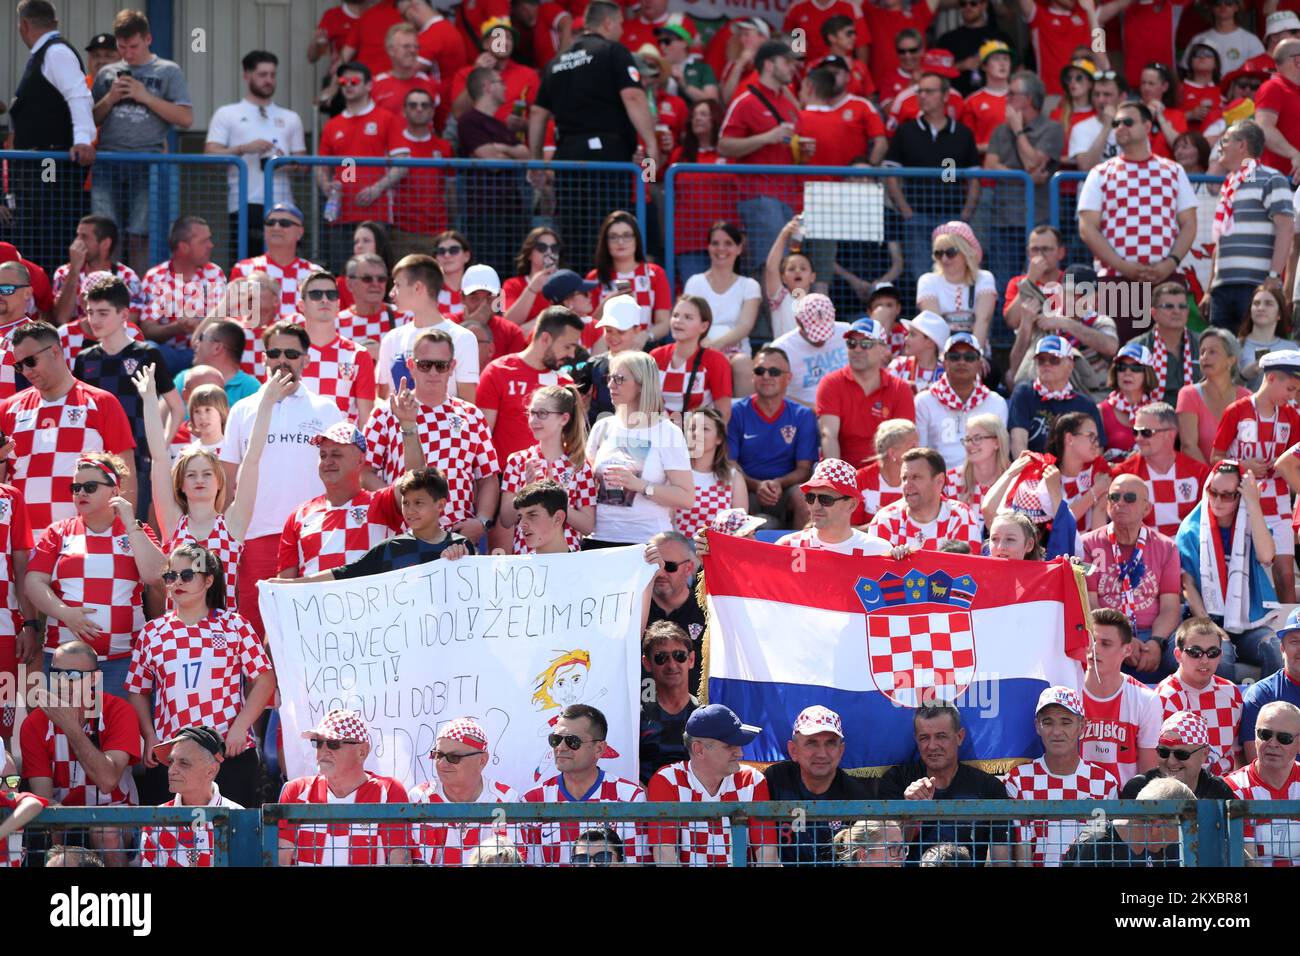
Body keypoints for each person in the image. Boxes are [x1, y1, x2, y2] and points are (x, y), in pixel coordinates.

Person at [219, 322, 345, 636]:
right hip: (256, 536)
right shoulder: (242, 410)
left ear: (306, 359)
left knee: (314, 632)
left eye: (291, 353)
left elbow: (342, 475)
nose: (282, 360)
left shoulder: (327, 410)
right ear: (264, 358)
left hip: (313, 536)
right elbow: (226, 480)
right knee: (255, 634)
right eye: (274, 353)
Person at [126, 541, 274, 809]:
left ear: (208, 580)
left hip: (228, 751)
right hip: (171, 754)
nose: (176, 582)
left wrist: (241, 727)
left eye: (186, 575)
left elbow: (264, 678)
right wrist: (150, 735)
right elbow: (138, 689)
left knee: (232, 840)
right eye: (170, 576)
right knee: (171, 840)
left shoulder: (234, 625)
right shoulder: (152, 632)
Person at [23, 452, 162, 702]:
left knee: (117, 740)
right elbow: (33, 582)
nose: (81, 493)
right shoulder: (58, 532)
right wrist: (66, 613)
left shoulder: (138, 530)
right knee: (63, 739)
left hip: (124, 662)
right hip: (64, 662)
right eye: (76, 487)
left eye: (90, 486)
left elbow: (155, 576)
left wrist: (130, 523)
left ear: (114, 491)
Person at [530, 1, 660, 264]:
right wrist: (651, 144)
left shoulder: (556, 62)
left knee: (574, 234)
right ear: (608, 23)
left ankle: (577, 296)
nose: (623, 31)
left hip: (566, 159)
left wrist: (535, 162)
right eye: (621, 24)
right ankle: (610, 293)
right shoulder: (614, 52)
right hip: (608, 159)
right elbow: (634, 97)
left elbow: (537, 114)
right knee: (611, 230)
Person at [133, 364, 269, 610]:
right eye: (191, 474)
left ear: (220, 482)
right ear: (181, 485)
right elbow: (159, 457)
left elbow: (252, 460)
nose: (199, 480)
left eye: (207, 474)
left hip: (223, 636)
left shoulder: (233, 524)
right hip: (178, 636)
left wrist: (267, 403)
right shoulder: (173, 522)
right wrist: (150, 399)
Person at [0, 321, 137, 539]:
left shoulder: (101, 403)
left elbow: (126, 474)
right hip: (23, 544)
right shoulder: (8, 409)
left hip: (85, 541)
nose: (26, 371)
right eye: (19, 366)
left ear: (55, 351)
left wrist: (122, 532)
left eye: (30, 361)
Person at [363, 330, 500, 546]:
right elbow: (364, 472)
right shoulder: (385, 412)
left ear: (452, 367)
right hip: (402, 536)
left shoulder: (472, 415)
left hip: (458, 537)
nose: (433, 372)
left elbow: (488, 477)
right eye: (425, 365)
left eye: (441, 365)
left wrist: (481, 522)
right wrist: (397, 505)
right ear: (411, 365)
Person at [1078, 103, 1199, 338]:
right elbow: (1086, 228)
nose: (1120, 127)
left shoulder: (1173, 171)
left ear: (1147, 126)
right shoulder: (1100, 173)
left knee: (1171, 352)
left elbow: (1190, 223)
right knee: (1122, 358)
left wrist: (1169, 264)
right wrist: (1122, 266)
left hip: (1166, 278)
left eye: (1127, 122)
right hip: (1116, 280)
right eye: (1116, 123)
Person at [74, 274, 184, 526]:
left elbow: (177, 408)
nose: (94, 320)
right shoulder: (85, 359)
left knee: (133, 528)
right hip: (95, 460)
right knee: (93, 528)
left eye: (103, 313)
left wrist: (158, 447)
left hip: (137, 459)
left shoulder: (146, 354)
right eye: (90, 312)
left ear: (124, 314)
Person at [89, 8, 193, 274]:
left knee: (140, 234)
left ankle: (137, 293)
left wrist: (145, 96)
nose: (128, 53)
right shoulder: (107, 73)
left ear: (148, 39)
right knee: (105, 235)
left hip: (148, 165)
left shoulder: (168, 71)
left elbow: (185, 118)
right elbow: (90, 120)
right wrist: (110, 98)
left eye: (133, 46)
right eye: (122, 47)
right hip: (107, 163)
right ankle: (105, 288)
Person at [19, 640, 140, 863]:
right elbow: (42, 797)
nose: (64, 682)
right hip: (63, 818)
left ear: (94, 678)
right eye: (57, 673)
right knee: (48, 825)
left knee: (105, 831)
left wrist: (71, 728)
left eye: (73, 675)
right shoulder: (34, 723)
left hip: (114, 818)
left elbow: (107, 780)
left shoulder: (119, 711)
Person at [10, 0, 97, 275]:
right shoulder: (43, 54)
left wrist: (83, 139)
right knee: (34, 235)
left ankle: (53, 303)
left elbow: (79, 95)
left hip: (50, 165)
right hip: (37, 166)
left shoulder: (56, 52)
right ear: (54, 22)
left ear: (24, 25)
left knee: (51, 234)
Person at [1177, 465, 1282, 683]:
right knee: (1220, 657)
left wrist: (1253, 502)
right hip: (1206, 620)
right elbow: (1187, 585)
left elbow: (1266, 556)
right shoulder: (1191, 529)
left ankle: (1272, 711)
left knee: (1273, 646)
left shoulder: (1250, 521)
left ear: (1241, 494)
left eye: (1227, 495)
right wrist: (1209, 626)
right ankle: (1224, 714)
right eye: (1213, 492)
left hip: (1247, 620)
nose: (1217, 501)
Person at [883, 66, 982, 299]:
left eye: (929, 91)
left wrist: (965, 213)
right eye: (920, 91)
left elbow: (974, 178)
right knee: (922, 278)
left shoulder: (963, 133)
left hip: (953, 220)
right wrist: (907, 212)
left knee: (955, 276)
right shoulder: (905, 131)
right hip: (917, 218)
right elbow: (891, 174)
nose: (922, 96)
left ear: (945, 96)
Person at [1211, 348, 1300, 602]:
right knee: (1249, 572)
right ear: (1271, 379)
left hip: (1279, 499)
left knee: (1285, 575)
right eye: (1290, 389)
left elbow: (1294, 461)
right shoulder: (1236, 411)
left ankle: (1291, 633)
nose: (1293, 397)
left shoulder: (1292, 416)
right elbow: (1214, 459)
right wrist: (1242, 464)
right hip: (1244, 502)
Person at [878, 702, 1013, 866]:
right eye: (924, 738)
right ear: (916, 740)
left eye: (941, 736)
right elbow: (885, 854)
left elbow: (1002, 860)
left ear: (960, 737)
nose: (932, 746)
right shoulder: (896, 780)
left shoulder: (989, 787)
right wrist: (910, 814)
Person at [203, 50, 307, 261]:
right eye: (262, 74)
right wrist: (243, 148)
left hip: (283, 202)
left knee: (285, 263)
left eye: (272, 75)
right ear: (246, 75)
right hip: (244, 202)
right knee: (247, 265)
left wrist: (283, 162)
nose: (269, 80)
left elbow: (304, 164)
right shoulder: (227, 113)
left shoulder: (290, 117)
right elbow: (209, 156)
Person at [646, 703, 778, 866]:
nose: (740, 752)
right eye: (729, 745)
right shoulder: (667, 780)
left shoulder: (752, 780)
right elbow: (665, 856)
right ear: (699, 749)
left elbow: (768, 856)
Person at [1003, 685, 1121, 866]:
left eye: (1066, 722)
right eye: (1048, 722)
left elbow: (1105, 851)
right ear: (1037, 726)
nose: (1057, 731)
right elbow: (1022, 852)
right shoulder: (1018, 780)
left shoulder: (1105, 783)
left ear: (1081, 726)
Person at [278, 709, 413, 866]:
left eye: (333, 744)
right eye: (319, 743)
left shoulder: (389, 791)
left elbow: (399, 858)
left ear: (362, 752)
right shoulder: (296, 791)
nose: (323, 750)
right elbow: (281, 860)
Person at [584, 351, 692, 548]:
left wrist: (641, 486)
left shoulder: (668, 432)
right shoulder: (603, 426)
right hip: (598, 537)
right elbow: (585, 481)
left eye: (619, 379)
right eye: (609, 378)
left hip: (646, 541)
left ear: (642, 384)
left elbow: (686, 497)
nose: (610, 385)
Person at [1081, 475, 1183, 681]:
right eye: (1114, 496)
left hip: (1155, 635)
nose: (1120, 503)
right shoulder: (1087, 544)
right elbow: (1090, 605)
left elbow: (1170, 607)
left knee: (1189, 652)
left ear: (1147, 508)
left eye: (1129, 498)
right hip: (1108, 634)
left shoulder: (1167, 546)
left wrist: (1156, 642)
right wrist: (1124, 639)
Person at [521, 703, 647, 866]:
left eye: (572, 741)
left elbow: (634, 863)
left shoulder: (630, 797)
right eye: (556, 739)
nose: (560, 747)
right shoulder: (533, 800)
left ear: (599, 749)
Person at [717, 39, 802, 272]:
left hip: (788, 197)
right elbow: (723, 145)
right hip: (760, 195)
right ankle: (764, 310)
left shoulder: (789, 104)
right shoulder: (745, 101)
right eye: (786, 62)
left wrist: (802, 150)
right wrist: (766, 137)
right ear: (768, 65)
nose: (792, 68)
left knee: (786, 267)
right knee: (768, 266)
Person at [703, 457, 891, 556]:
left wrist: (901, 560)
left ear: (851, 505)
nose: (815, 506)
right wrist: (711, 549)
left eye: (826, 499)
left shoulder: (878, 550)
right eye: (810, 497)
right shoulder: (787, 546)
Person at [1206, 121, 1293, 331]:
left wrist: (1273, 277)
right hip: (1222, 288)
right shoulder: (1229, 184)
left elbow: (1286, 228)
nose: (1220, 147)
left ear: (1242, 145)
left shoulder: (1271, 178)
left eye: (1225, 141)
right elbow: (1221, 241)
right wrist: (1210, 289)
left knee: (1255, 355)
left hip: (1256, 287)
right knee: (1223, 358)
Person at [761, 705, 874, 866]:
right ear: (793, 750)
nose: (822, 753)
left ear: (841, 751)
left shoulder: (857, 796)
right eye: (812, 743)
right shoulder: (774, 780)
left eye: (830, 743)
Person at [477, 305, 583, 464]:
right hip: (505, 480)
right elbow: (482, 440)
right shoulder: (498, 372)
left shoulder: (565, 383)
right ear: (545, 338)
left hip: (551, 482)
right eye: (567, 346)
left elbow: (572, 441)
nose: (572, 355)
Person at [982, 71, 1065, 273]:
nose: (1006, 99)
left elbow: (1032, 163)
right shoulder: (1000, 130)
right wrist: (1027, 179)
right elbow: (990, 165)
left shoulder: (1052, 128)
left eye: (1012, 94)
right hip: (1004, 219)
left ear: (1028, 99)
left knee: (1042, 278)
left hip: (1039, 220)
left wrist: (1019, 131)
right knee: (1003, 281)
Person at [409, 716, 519, 866]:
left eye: (453, 757)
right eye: (438, 755)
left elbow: (508, 861)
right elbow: (420, 862)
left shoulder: (505, 799)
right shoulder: (421, 798)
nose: (441, 763)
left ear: (482, 760)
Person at [727, 345, 817, 528]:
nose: (766, 376)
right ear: (752, 376)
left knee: (805, 499)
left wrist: (778, 483)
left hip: (786, 491)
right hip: (746, 489)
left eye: (774, 371)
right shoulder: (735, 413)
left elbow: (805, 469)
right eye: (760, 371)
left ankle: (801, 551)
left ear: (788, 378)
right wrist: (757, 485)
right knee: (729, 494)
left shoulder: (803, 415)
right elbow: (730, 465)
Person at [497, 387, 595, 553]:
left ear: (563, 419)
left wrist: (555, 497)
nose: (534, 420)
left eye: (542, 414)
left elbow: (587, 526)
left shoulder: (579, 466)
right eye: (532, 413)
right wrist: (526, 490)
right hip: (526, 560)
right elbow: (506, 520)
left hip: (566, 559)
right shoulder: (518, 461)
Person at [1009, 262, 1121, 400]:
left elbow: (1110, 347)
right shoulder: (1043, 321)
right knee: (1012, 381)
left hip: (1089, 395)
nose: (1079, 300)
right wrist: (1026, 326)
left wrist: (1065, 323)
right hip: (1046, 393)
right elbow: (1016, 368)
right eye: (1073, 294)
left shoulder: (1100, 321)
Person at [456, 69, 531, 276]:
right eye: (500, 82)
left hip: (512, 211)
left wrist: (503, 149)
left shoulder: (501, 125)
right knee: (490, 272)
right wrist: (509, 155)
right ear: (487, 87)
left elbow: (526, 154)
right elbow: (491, 160)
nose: (505, 87)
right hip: (484, 213)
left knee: (513, 270)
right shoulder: (469, 121)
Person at [816, 317, 915, 468]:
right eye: (852, 343)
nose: (857, 349)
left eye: (866, 344)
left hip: (885, 475)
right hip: (842, 473)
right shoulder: (831, 383)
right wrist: (837, 480)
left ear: (883, 349)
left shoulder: (899, 389)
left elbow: (903, 443)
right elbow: (829, 436)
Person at [377, 254, 479, 401]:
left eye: (398, 285)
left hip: (444, 424)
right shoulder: (392, 339)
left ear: (418, 287)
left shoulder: (463, 338)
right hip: (398, 423)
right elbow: (383, 397)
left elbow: (467, 406)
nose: (391, 293)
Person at [1080, 608, 1162, 787]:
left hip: (1124, 807)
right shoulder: (1068, 691)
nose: (1095, 649)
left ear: (1127, 649)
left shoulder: (1147, 700)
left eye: (1105, 643)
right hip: (1073, 805)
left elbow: (1147, 778)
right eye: (1091, 640)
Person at [140, 726, 241, 867]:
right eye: (171, 761)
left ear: (211, 771)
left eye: (184, 763)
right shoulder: (155, 821)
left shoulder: (238, 816)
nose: (171, 770)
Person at [1155, 619, 1245, 777]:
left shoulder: (1231, 692)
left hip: (1225, 787)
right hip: (1180, 788)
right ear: (1178, 655)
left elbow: (1238, 753)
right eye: (1195, 652)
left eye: (1212, 653)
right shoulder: (1164, 697)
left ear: (1220, 655)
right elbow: (1158, 761)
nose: (1204, 660)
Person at [682, 222, 762, 396]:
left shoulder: (750, 285)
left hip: (736, 350)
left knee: (742, 364)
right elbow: (687, 319)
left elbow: (745, 325)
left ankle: (743, 420)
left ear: (739, 248)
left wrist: (716, 346)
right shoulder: (695, 282)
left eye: (728, 243)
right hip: (700, 346)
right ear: (708, 247)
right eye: (715, 243)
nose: (721, 248)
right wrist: (705, 347)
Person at [138, 217, 225, 372]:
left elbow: (222, 322)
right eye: (204, 241)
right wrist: (177, 327)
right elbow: (147, 329)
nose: (210, 245)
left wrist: (199, 327)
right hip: (168, 353)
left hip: (204, 352)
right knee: (149, 350)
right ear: (184, 247)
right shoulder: (155, 277)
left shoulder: (214, 273)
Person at [1113, 401, 1211, 538]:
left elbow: (1207, 523)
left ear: (1170, 434)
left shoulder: (1199, 473)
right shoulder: (1123, 475)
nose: (1138, 439)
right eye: (1135, 432)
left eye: (1146, 432)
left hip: (1186, 552)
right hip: (1144, 553)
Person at [293, 271, 377, 425]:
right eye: (316, 294)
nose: (325, 300)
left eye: (331, 294)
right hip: (294, 446)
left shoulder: (359, 355)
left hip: (340, 448)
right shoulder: (286, 352)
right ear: (301, 305)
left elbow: (366, 420)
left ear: (338, 304)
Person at [915, 332, 1008, 470]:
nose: (962, 362)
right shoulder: (924, 401)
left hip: (984, 483)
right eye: (954, 357)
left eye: (969, 357)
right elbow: (920, 453)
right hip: (939, 484)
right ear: (944, 362)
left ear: (979, 363)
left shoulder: (996, 402)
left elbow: (1000, 454)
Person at [1225, 700, 1300, 865]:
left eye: (1284, 738)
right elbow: (1249, 862)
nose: (1272, 744)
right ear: (1254, 736)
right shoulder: (1232, 788)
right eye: (1265, 735)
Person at [51, 215, 145, 345]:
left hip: (113, 343)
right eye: (77, 236)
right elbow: (61, 318)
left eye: (84, 237)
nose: (77, 243)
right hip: (73, 341)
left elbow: (129, 322)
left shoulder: (127, 277)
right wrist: (74, 270)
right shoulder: (64, 273)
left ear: (105, 243)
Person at [1007, 334, 1107, 455]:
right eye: (1041, 360)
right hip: (1033, 469)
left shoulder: (1086, 406)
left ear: (1070, 365)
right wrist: (1031, 472)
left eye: (1054, 359)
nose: (1046, 364)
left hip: (1074, 472)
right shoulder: (1024, 393)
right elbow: (1018, 442)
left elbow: (1096, 451)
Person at [584, 211, 672, 346]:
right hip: (607, 350)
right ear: (605, 242)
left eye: (627, 236)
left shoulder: (655, 273)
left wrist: (646, 335)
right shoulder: (595, 277)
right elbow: (588, 326)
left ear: (636, 239)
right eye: (613, 237)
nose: (620, 242)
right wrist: (607, 303)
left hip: (643, 350)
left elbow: (664, 323)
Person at [868, 446, 982, 551]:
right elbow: (877, 571)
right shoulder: (885, 520)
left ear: (940, 480)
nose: (907, 484)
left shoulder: (961, 516)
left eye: (915, 477)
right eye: (904, 478)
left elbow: (966, 569)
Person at [228, 202, 325, 322]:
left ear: (300, 232)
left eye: (285, 223)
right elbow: (235, 316)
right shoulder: (244, 269)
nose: (276, 227)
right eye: (270, 223)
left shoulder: (315, 273)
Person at [1060, 776, 1188, 866]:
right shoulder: (1096, 844)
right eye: (1177, 835)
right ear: (1157, 826)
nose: (1174, 842)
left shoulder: (1154, 848)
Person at [650, 296, 733, 428]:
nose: (678, 321)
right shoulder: (656, 356)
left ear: (704, 326)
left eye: (688, 317)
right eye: (675, 315)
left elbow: (723, 413)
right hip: (659, 437)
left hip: (696, 440)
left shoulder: (716, 361)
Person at [1122, 710, 1236, 799]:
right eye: (1164, 752)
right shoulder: (1137, 788)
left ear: (1204, 754)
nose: (1171, 761)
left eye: (1182, 754)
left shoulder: (1219, 792)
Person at [1177, 326, 1250, 463]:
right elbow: (1188, 446)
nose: (1204, 357)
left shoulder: (1248, 398)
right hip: (1201, 479)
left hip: (1242, 479)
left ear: (1231, 360)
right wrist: (1212, 480)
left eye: (1212, 352)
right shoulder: (1188, 394)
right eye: (1202, 352)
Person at [639, 621, 700, 784]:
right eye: (661, 658)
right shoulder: (635, 718)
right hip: (645, 805)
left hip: (698, 806)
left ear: (691, 659)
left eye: (679, 656)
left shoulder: (704, 717)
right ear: (646, 663)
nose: (672, 664)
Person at [673, 408, 747, 540]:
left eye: (705, 429)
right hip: (681, 554)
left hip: (718, 552)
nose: (697, 433)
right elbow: (666, 522)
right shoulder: (674, 472)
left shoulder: (734, 477)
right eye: (692, 428)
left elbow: (740, 529)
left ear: (719, 438)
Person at [769, 293, 850, 409]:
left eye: (826, 329)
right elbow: (773, 392)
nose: (822, 338)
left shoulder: (847, 332)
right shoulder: (781, 349)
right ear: (798, 321)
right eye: (816, 331)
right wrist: (813, 409)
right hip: (803, 413)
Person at [1241, 608, 1300, 760]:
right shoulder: (1262, 694)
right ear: (1282, 649)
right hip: (1280, 783)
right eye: (1295, 642)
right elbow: (1257, 764)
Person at [644, 530, 706, 675]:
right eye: (655, 566)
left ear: (689, 568)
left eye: (669, 566)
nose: (660, 574)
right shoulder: (635, 611)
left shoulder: (708, 611)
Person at [1043, 411, 1110, 531]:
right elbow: (1061, 523)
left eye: (1097, 438)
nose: (1097, 444)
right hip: (1059, 547)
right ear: (1069, 438)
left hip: (1090, 547)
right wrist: (1096, 491)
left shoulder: (1098, 467)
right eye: (1091, 436)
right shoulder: (1049, 474)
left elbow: (1100, 513)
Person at [180, 320, 261, 408]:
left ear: (217, 347)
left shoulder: (251, 389)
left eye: (201, 338)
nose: (196, 343)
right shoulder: (184, 377)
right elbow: (165, 416)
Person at [1098, 343, 1157, 457]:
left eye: (1136, 367)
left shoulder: (1158, 412)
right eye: (1122, 367)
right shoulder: (1101, 410)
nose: (1127, 372)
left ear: (1147, 373)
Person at [948, 412, 1010, 519]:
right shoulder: (950, 480)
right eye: (967, 439)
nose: (970, 444)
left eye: (977, 438)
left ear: (997, 443)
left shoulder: (1014, 481)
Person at [1253, 39, 1300, 179]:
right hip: (1280, 182)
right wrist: (1295, 155)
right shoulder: (1273, 88)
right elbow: (1264, 127)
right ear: (1298, 60)